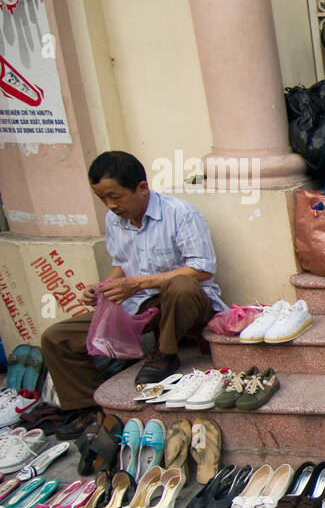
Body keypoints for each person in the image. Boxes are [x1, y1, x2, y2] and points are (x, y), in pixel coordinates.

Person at [40, 151, 226, 422]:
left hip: (183, 303)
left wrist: (136, 283)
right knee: (56, 338)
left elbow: (202, 268)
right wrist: (105, 287)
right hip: (137, 303)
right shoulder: (114, 220)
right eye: (102, 199)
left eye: (115, 196)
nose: (110, 205)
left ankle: (166, 354)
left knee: (182, 285)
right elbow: (122, 264)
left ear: (142, 188)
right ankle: (90, 410)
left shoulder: (180, 213)